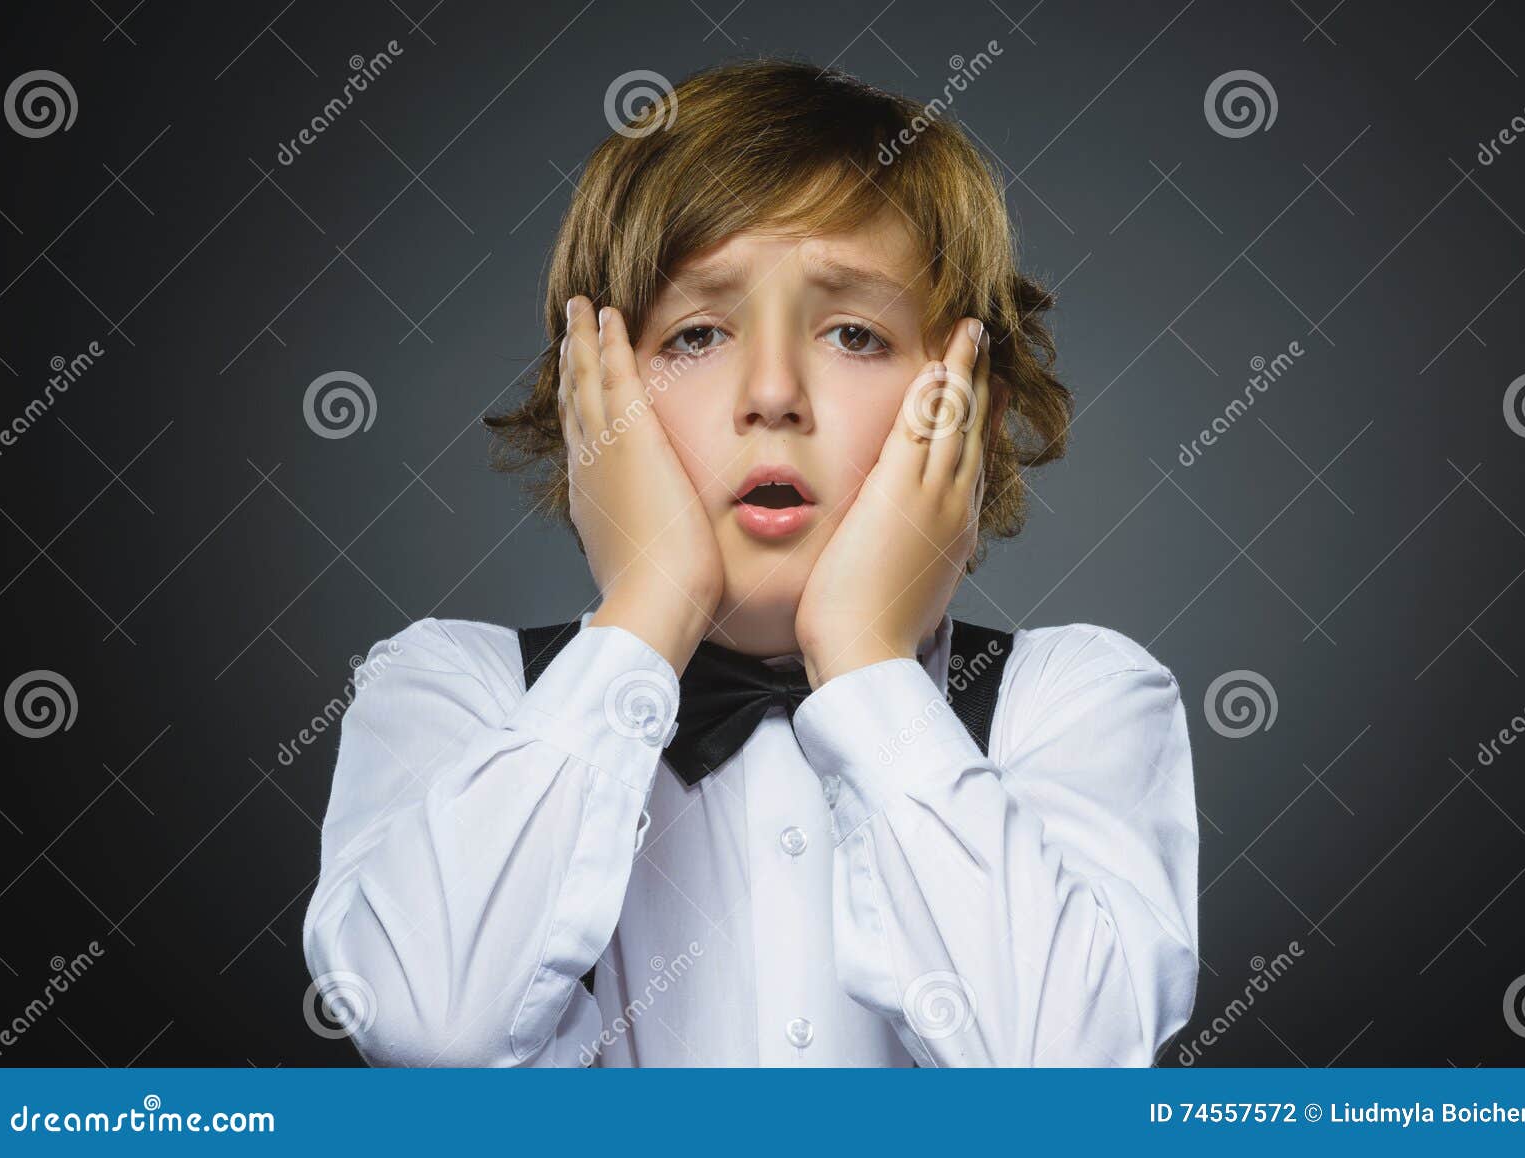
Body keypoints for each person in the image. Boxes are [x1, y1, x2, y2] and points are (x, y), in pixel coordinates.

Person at [301, 58, 1199, 1067]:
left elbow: (1067, 1075)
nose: (772, 393)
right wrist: (653, 600)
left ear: (968, 403)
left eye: (853, 333)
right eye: (697, 335)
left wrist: (864, 658)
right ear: (591, 399)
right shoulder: (456, 692)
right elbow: (431, 1029)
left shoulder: (1074, 700)